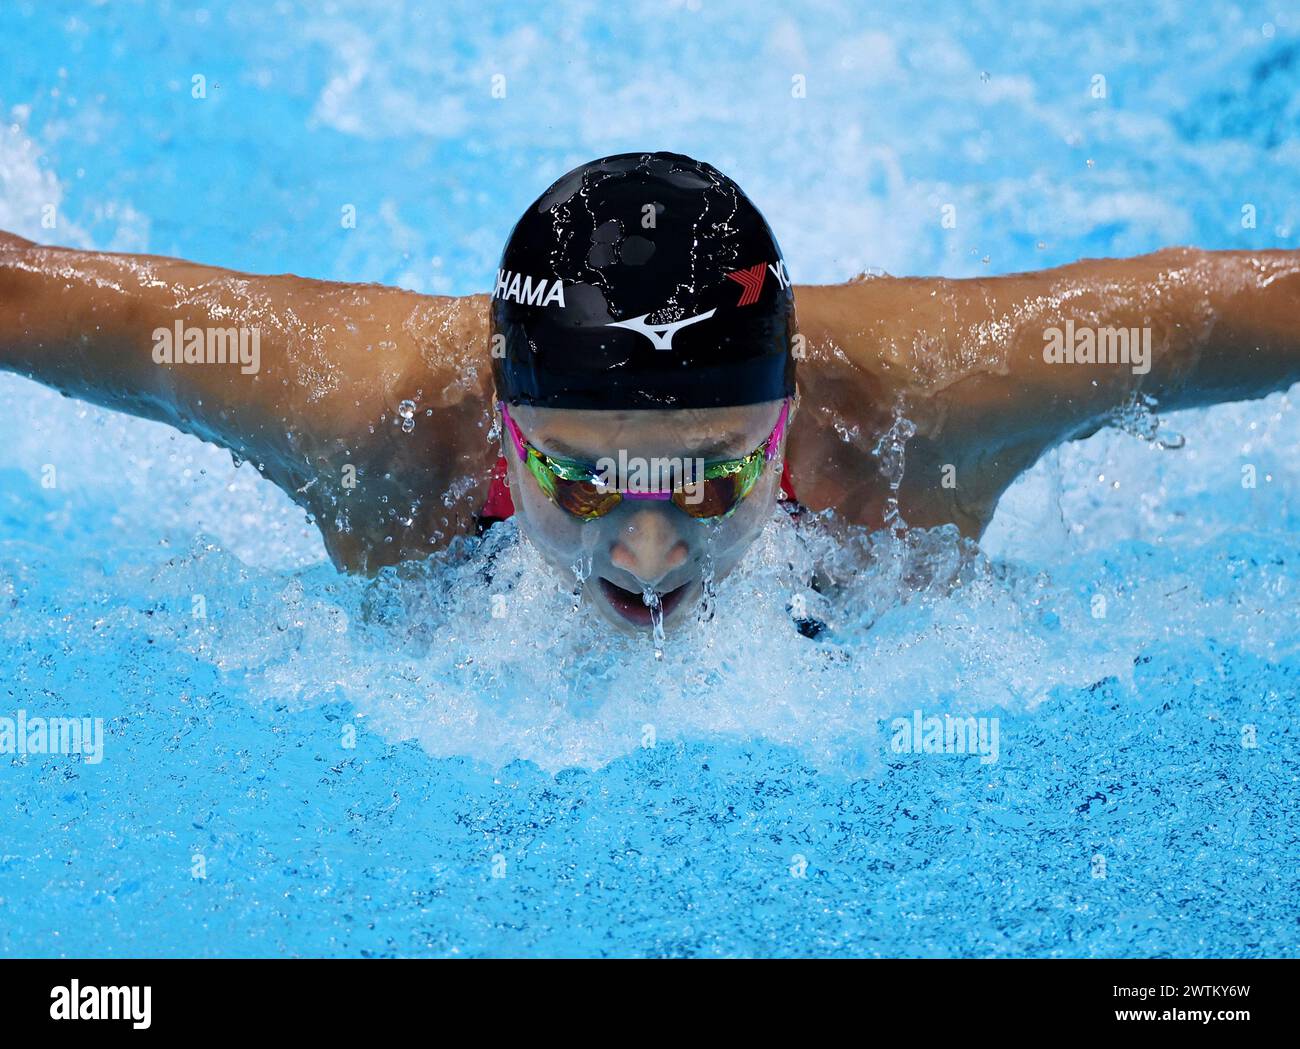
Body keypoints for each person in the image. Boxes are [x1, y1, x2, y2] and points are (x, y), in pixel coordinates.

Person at [1, 151, 1298, 633]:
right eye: (576, 475)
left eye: (713, 475)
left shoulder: (916, 414)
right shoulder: (373, 425)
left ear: (782, 419)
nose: (646, 547)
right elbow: (47, 302)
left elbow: (1201, 319)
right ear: (508, 425)